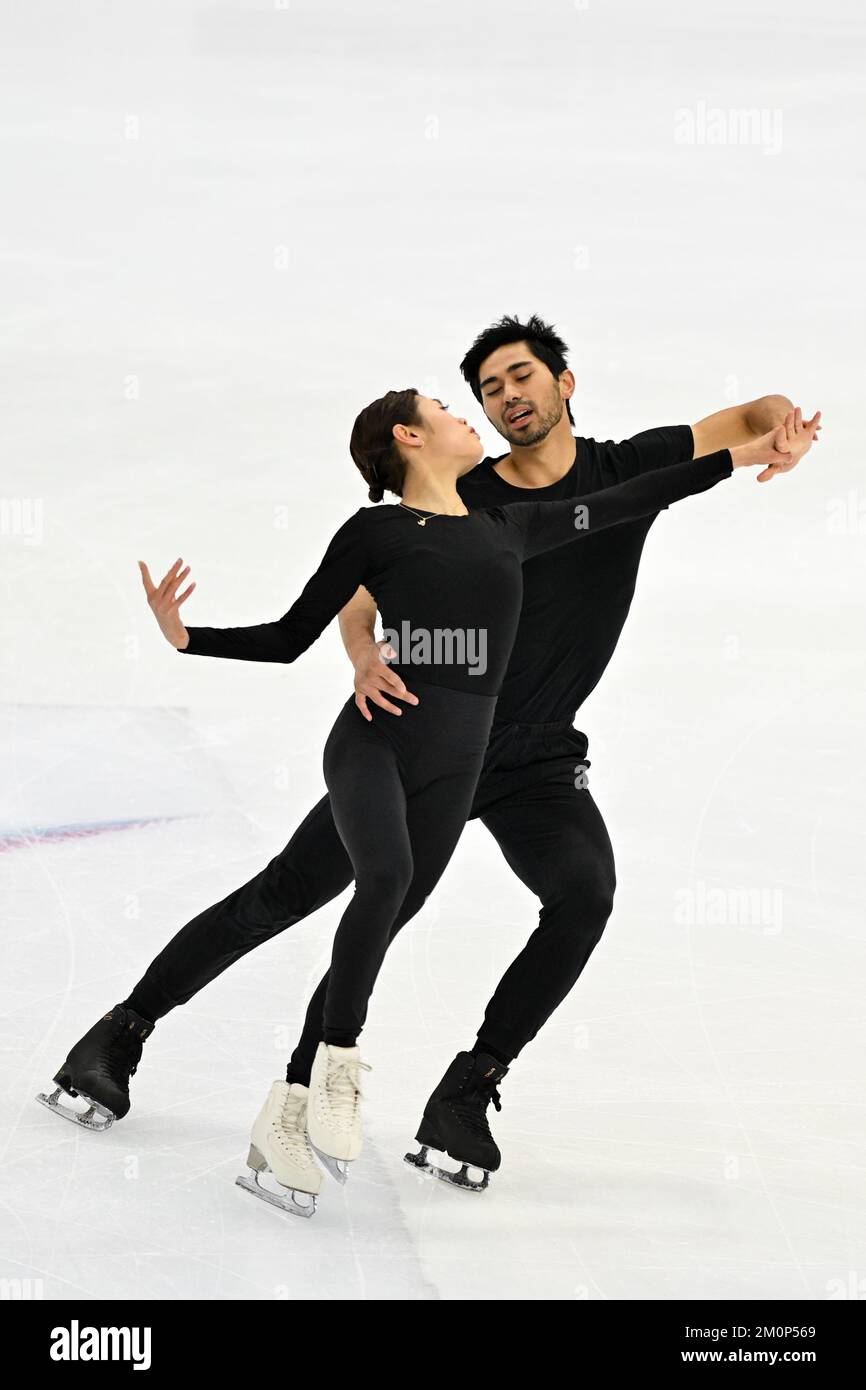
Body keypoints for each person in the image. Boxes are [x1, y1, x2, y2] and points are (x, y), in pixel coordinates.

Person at [37, 317, 820, 1213]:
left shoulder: (622, 469)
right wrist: (362, 652)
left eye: (521, 376)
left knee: (584, 893)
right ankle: (130, 1032)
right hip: (428, 735)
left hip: (538, 753)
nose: (506, 396)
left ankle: (464, 1091)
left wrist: (783, 432)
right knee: (305, 893)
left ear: (567, 385)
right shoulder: (460, 493)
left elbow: (746, 421)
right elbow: (359, 592)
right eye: (487, 389)